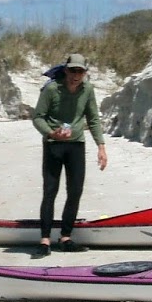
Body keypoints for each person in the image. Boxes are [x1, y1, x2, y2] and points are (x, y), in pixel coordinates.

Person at [31, 52, 109, 253]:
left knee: (75, 191)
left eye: (80, 71)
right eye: (72, 70)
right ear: (65, 70)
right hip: (53, 144)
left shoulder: (88, 90)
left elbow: (93, 119)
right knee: (50, 191)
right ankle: (45, 240)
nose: (76, 75)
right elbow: (38, 117)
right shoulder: (51, 89)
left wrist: (101, 146)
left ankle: (66, 237)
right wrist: (51, 133)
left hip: (76, 145)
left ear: (84, 73)